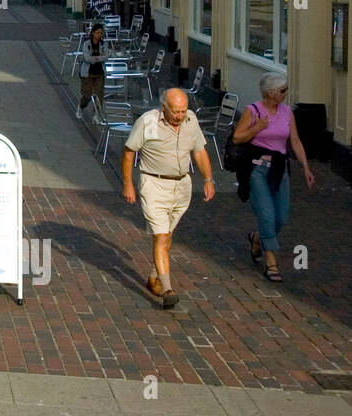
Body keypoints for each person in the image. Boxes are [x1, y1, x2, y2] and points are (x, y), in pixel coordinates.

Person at [121, 88, 215, 309]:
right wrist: (128, 184)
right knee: (161, 236)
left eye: (183, 111)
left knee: (168, 235)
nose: (180, 116)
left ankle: (153, 278)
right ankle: (167, 289)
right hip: (154, 184)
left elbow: (199, 151)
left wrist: (209, 179)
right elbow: (128, 152)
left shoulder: (191, 120)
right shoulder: (149, 122)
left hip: (181, 185)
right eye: (175, 112)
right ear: (164, 108)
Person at [232, 72, 315, 283]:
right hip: (257, 167)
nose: (285, 94)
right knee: (267, 215)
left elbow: (294, 140)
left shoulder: (287, 112)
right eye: (282, 90)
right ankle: (271, 262)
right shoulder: (254, 111)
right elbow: (237, 137)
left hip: (279, 167)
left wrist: (305, 167)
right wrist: (257, 128)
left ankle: (258, 238)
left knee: (281, 216)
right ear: (270, 93)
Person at [76, 23, 110, 120]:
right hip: (87, 73)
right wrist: (100, 58)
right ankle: (81, 107)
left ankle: (96, 115)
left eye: (101, 33)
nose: (100, 35)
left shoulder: (103, 44)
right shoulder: (87, 44)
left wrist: (96, 58)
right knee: (87, 95)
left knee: (99, 95)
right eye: (98, 33)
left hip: (99, 73)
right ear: (93, 33)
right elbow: (87, 58)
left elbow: (106, 56)